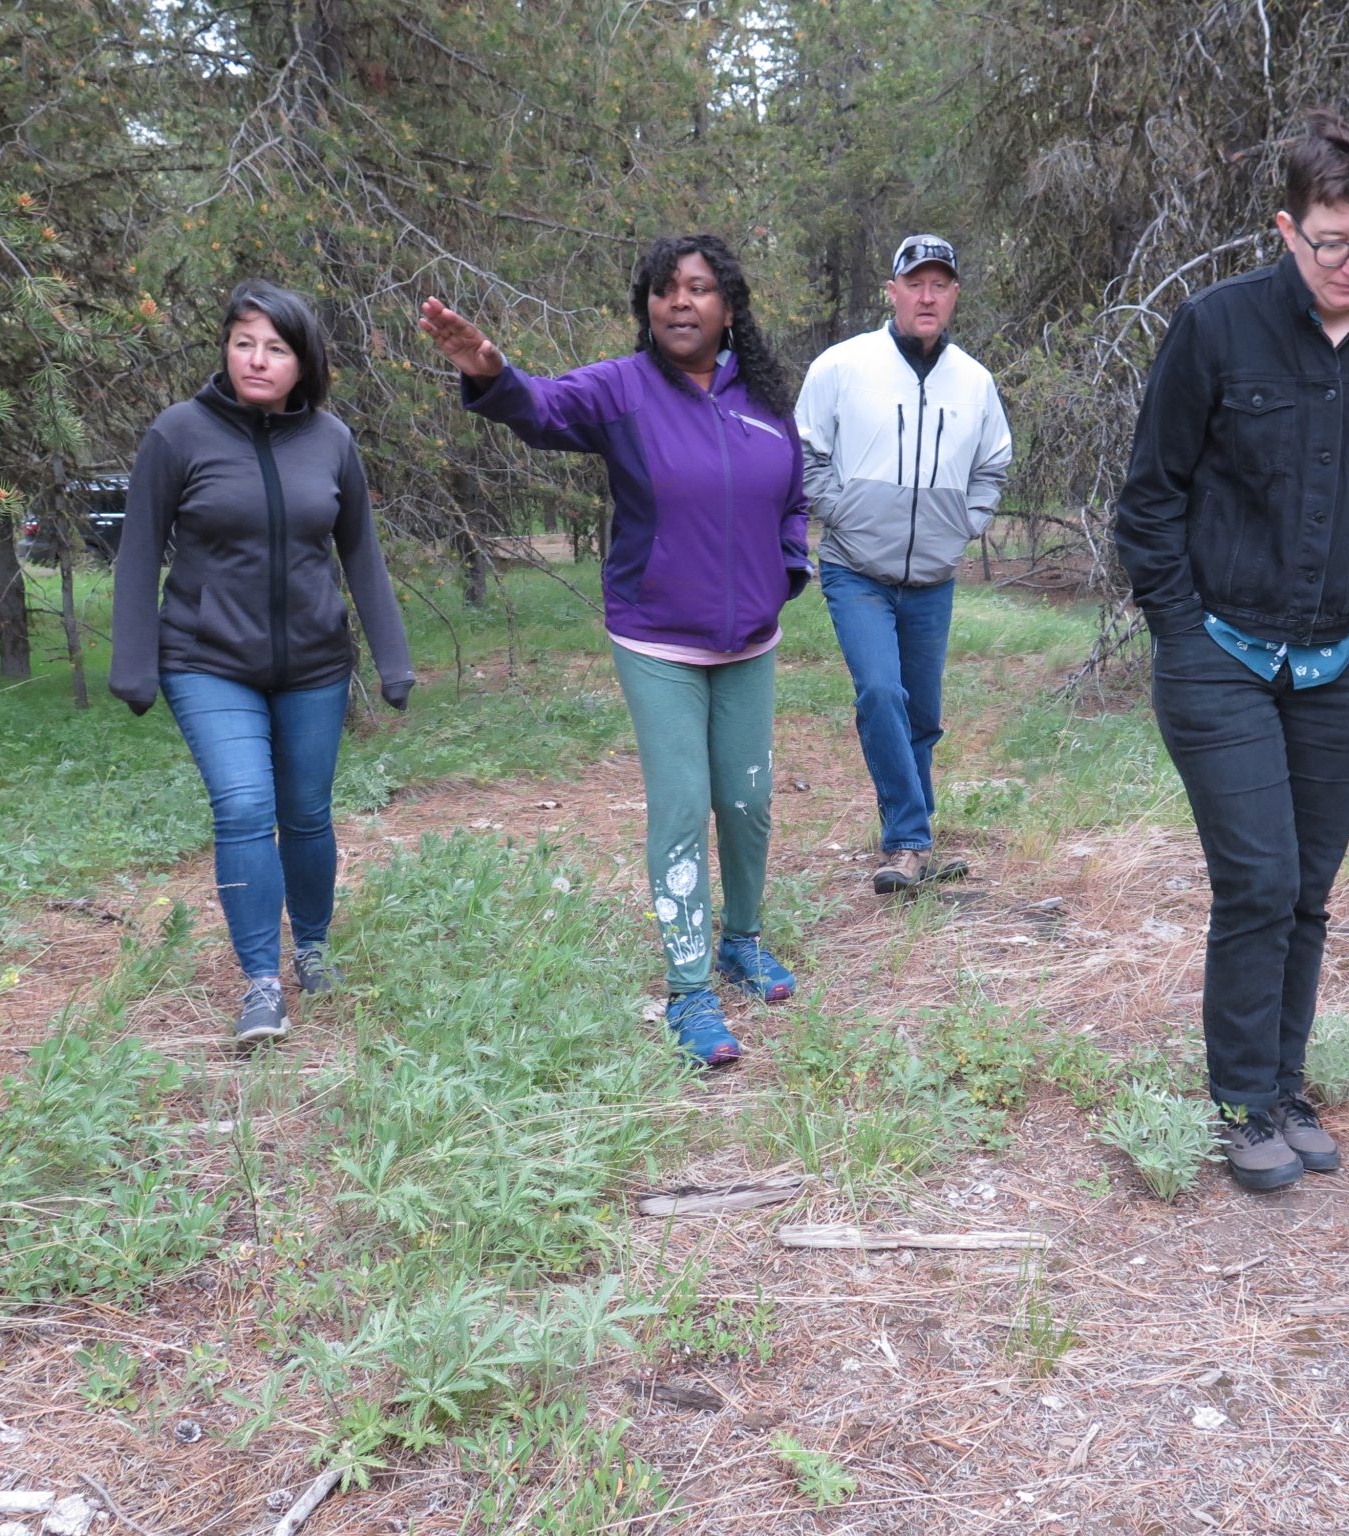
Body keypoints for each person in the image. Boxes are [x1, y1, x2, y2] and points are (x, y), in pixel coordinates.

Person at [1114, 112, 1349, 1192]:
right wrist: (1174, 624)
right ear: (1285, 229)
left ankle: (1281, 1086)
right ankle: (1236, 1100)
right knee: (1257, 877)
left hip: (1338, 662)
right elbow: (1150, 495)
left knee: (1308, 888)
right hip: (1216, 652)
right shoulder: (1213, 330)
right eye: (1331, 243)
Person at [419, 234, 808, 1068]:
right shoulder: (623, 389)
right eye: (664, 290)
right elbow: (543, 409)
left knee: (745, 801)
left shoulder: (767, 400)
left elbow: (792, 493)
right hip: (658, 635)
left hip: (749, 641)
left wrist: (789, 566)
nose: (680, 302)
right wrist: (490, 371)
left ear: (728, 309)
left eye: (699, 289)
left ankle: (742, 940)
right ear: (647, 308)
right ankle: (690, 989)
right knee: (681, 803)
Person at [111, 280, 415, 1046]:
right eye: (244, 342)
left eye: (276, 347)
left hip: (314, 662)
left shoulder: (331, 440)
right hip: (205, 658)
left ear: (301, 361)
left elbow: (362, 555)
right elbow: (139, 548)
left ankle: (311, 947)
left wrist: (393, 658)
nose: (257, 359)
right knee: (244, 806)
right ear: (225, 348)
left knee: (306, 814)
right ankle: (261, 982)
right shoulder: (178, 434)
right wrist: (133, 663)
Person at [794, 235, 1013, 895]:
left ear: (953, 295)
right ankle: (911, 840)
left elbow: (993, 465)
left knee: (922, 715)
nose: (927, 295)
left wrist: (962, 528)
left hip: (931, 579)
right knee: (881, 694)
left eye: (940, 284)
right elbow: (805, 454)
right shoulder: (842, 366)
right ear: (891, 291)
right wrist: (845, 515)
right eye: (914, 282)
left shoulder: (973, 381)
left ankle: (910, 843)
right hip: (855, 568)